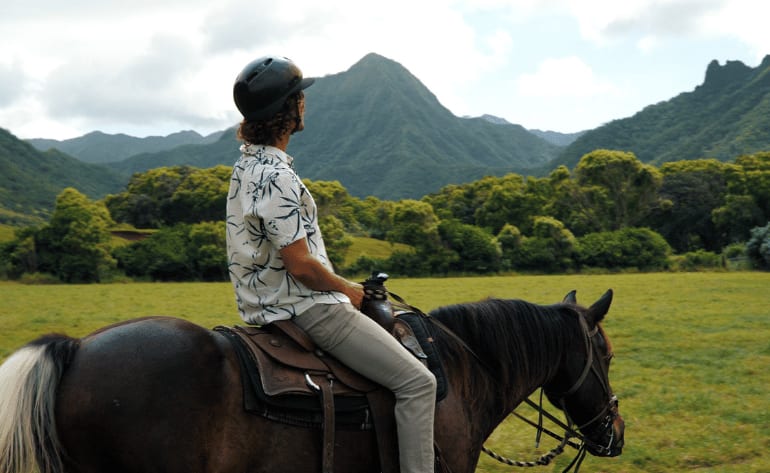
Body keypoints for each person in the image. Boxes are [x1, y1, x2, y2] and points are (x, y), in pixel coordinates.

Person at [226, 55, 437, 473]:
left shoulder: (246, 165)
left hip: (265, 308)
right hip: (310, 310)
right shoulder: (278, 176)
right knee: (418, 383)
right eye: (300, 97)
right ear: (289, 110)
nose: (305, 102)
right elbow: (302, 266)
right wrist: (351, 290)